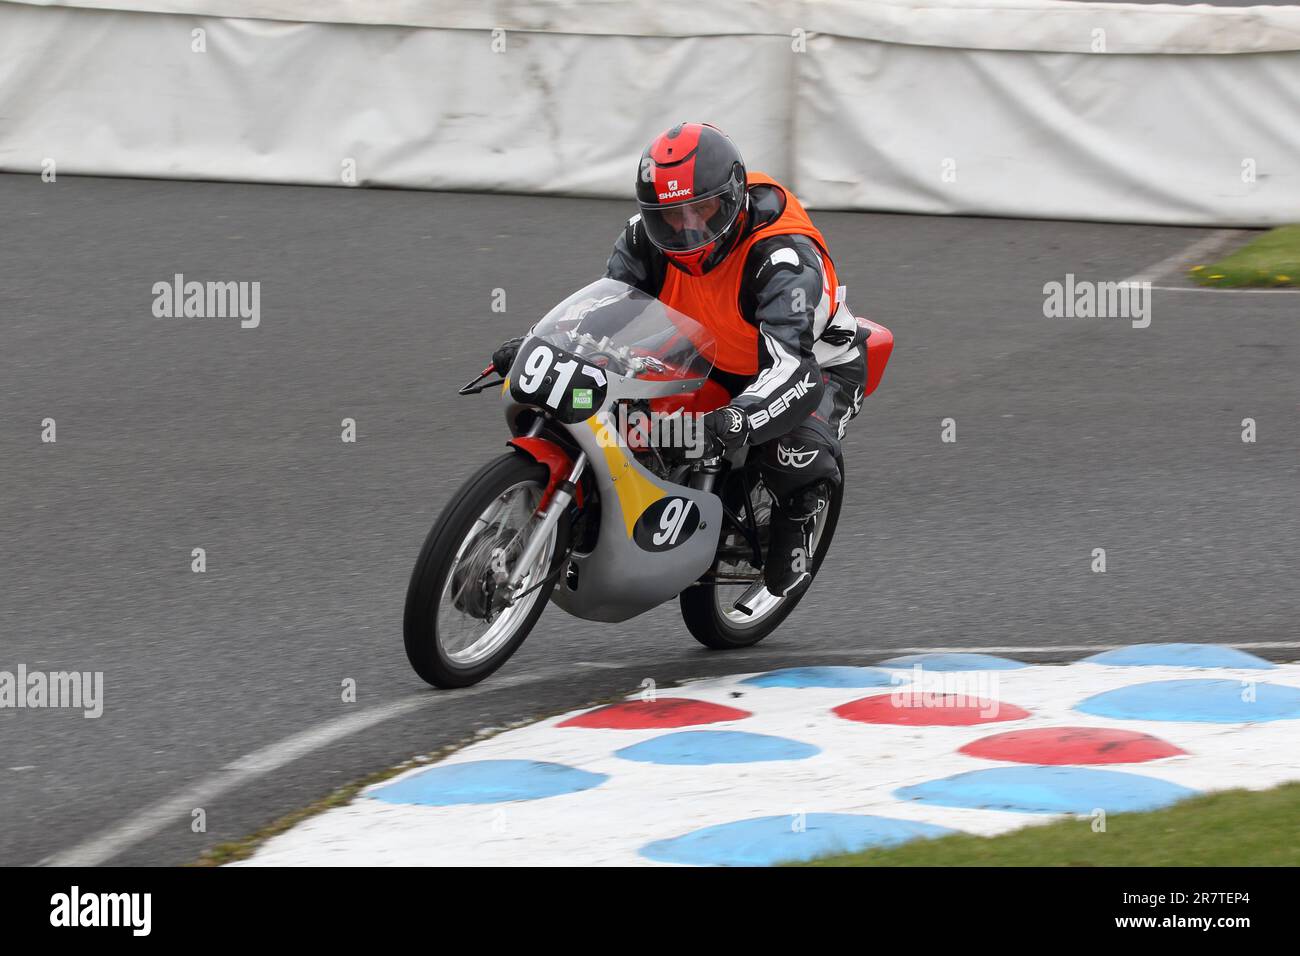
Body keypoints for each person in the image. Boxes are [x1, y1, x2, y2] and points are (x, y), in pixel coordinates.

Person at [493, 122, 868, 596]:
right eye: (670, 216)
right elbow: (608, 306)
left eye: (702, 211)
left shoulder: (783, 262)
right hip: (707, 350)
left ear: (732, 199)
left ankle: (798, 515)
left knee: (791, 456)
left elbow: (792, 369)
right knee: (629, 413)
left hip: (813, 364)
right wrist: (538, 341)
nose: (687, 229)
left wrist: (736, 419)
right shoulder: (644, 239)